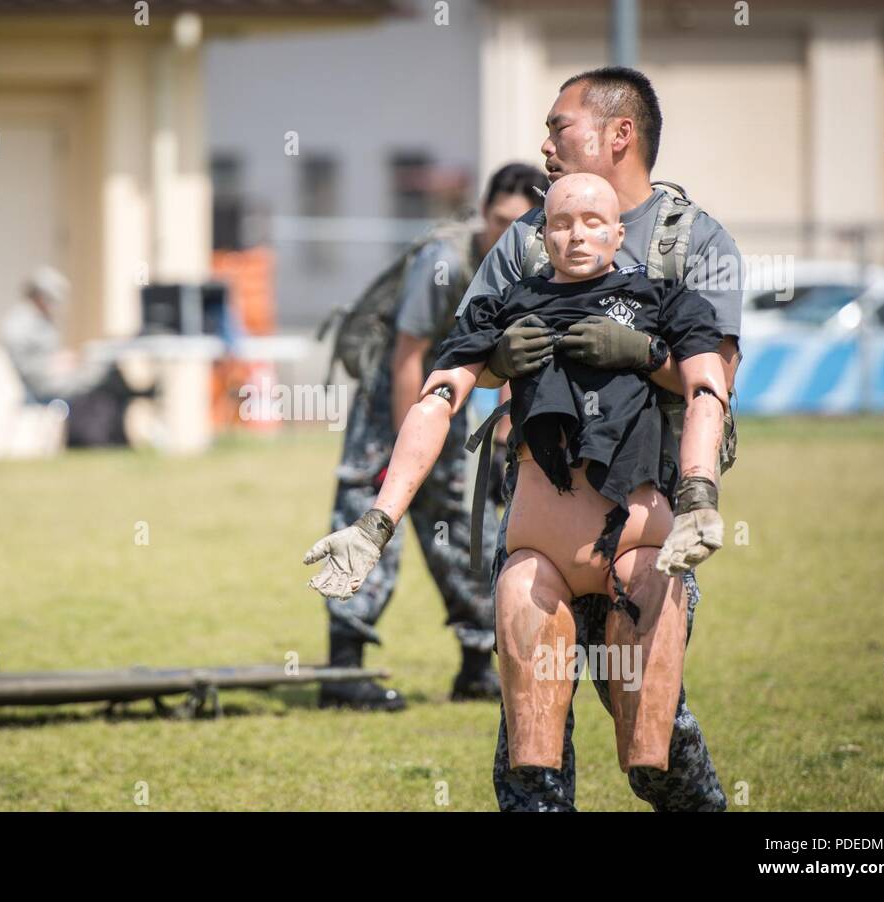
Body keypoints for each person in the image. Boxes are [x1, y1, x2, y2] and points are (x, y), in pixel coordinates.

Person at [304, 172, 729, 796]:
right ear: (541, 233)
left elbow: (707, 390)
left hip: (641, 546)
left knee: (652, 754)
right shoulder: (504, 304)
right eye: (560, 222)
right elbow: (437, 395)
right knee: (533, 759)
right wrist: (377, 522)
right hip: (537, 555)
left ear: (619, 231)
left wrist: (698, 493)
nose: (577, 234)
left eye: (592, 222)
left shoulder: (663, 300)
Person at [453, 66, 743, 811]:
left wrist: (644, 355)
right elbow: (466, 362)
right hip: (541, 511)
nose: (545, 142)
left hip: (645, 515)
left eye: (559, 125)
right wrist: (494, 361)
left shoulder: (693, 240)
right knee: (529, 746)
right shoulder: (525, 238)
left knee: (649, 730)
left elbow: (717, 377)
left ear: (619, 135)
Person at [318, 164, 550, 711]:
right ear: (482, 213)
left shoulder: (532, 265)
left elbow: (517, 362)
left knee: (467, 529)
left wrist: (501, 448)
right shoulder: (445, 263)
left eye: (520, 224)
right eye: (497, 220)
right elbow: (406, 357)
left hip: (455, 407)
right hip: (396, 408)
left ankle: (476, 665)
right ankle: (343, 672)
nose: (505, 233)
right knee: (374, 519)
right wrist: (407, 451)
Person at [0, 265, 151, 448]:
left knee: (104, 364)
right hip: (45, 383)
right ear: (39, 295)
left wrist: (69, 359)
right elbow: (32, 366)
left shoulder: (38, 319)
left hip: (57, 376)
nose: (53, 305)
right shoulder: (20, 323)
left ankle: (125, 414)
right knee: (104, 369)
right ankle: (135, 400)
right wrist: (58, 364)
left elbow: (49, 355)